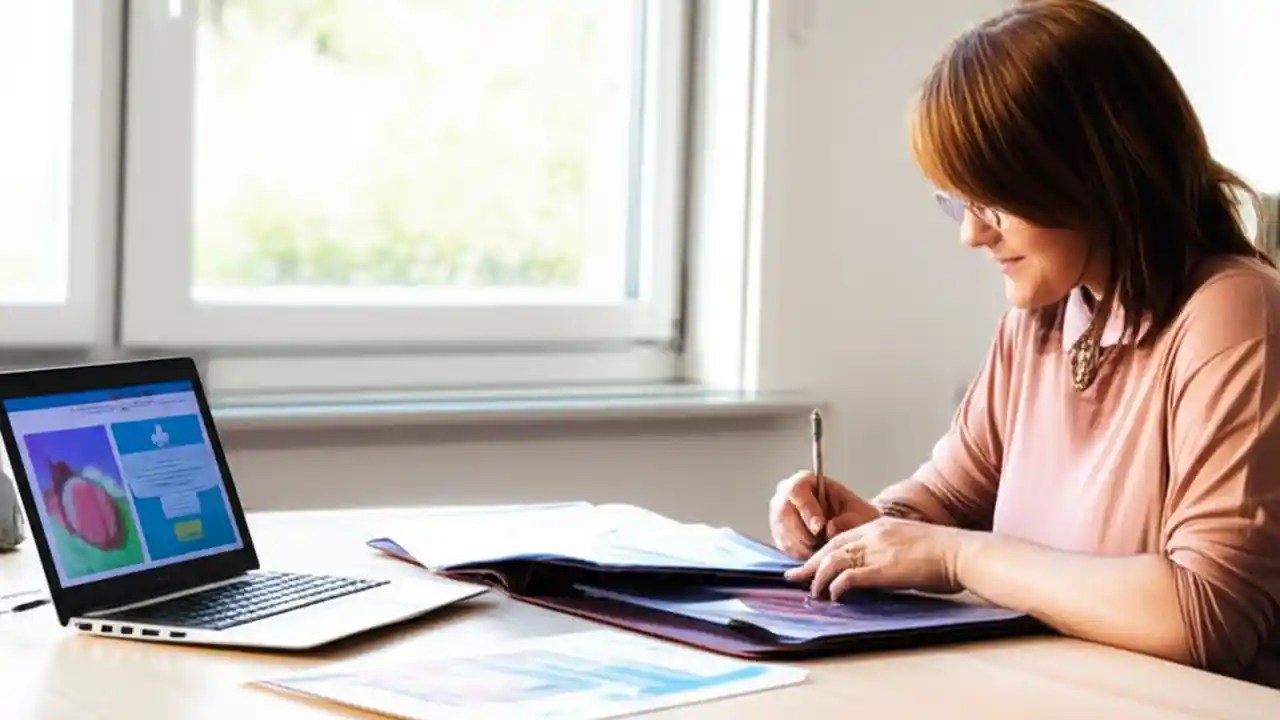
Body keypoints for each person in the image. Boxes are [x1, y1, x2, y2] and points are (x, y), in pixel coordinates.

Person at [769, 0, 1280, 687]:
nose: (971, 234)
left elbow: (1205, 615)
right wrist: (864, 531)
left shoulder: (1233, 311)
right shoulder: (1044, 314)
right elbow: (945, 501)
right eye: (958, 201)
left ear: (1091, 172)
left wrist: (956, 559)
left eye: (993, 202)